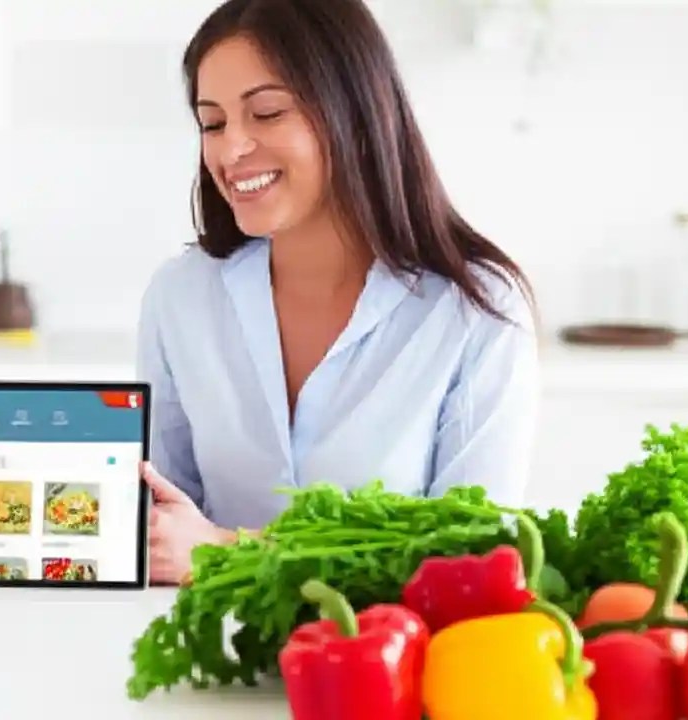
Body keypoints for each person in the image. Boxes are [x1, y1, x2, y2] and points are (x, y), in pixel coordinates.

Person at [137, 0, 541, 585]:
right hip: (207, 640)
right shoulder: (181, 296)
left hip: (390, 642)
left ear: (353, 113)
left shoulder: (475, 310)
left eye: (267, 113)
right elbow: (161, 523)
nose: (231, 150)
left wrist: (229, 548)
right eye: (213, 123)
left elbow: (473, 555)